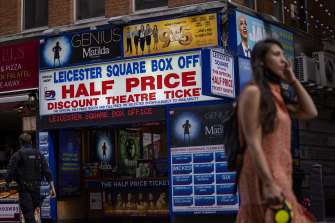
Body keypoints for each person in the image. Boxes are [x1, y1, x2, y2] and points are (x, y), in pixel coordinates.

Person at [236, 39, 317, 222]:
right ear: (262, 61)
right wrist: (269, 184)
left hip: (281, 179)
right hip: (264, 181)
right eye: (276, 54)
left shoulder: (277, 95)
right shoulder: (253, 93)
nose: (283, 60)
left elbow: (310, 112)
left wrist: (293, 80)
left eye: (283, 54)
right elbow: (253, 142)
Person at [5, 133, 56, 223]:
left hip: (25, 190)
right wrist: (52, 188)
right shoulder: (39, 154)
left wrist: (7, 183)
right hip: (36, 190)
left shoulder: (17, 155)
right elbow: (47, 171)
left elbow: (10, 170)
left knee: (29, 217)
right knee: (32, 214)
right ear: (31, 142)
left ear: (20, 143)